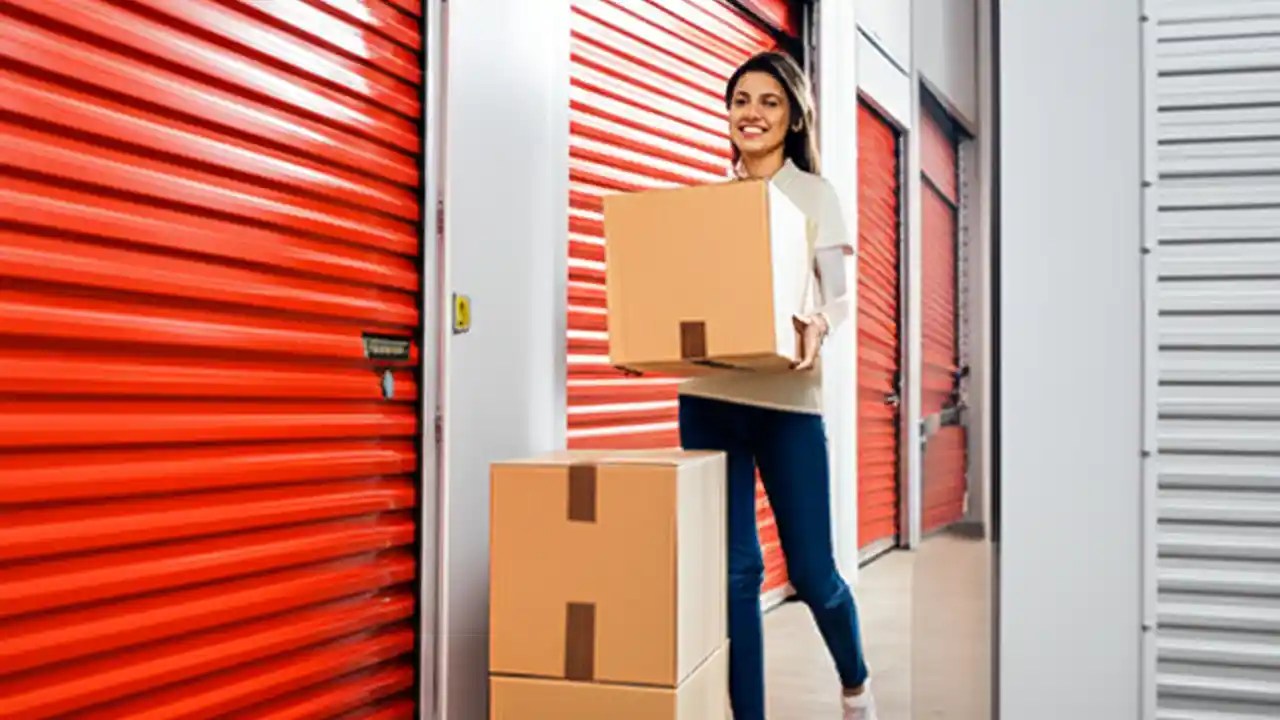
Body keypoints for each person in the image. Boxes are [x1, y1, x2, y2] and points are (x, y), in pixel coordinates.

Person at [677, 51, 877, 720]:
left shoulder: (814, 195)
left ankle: (856, 686)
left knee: (814, 573)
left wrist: (820, 322)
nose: (752, 114)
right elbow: (680, 295)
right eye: (741, 100)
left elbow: (841, 296)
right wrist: (648, 345)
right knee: (736, 574)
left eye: (768, 101)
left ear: (793, 117)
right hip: (710, 399)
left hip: (787, 402)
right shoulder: (709, 203)